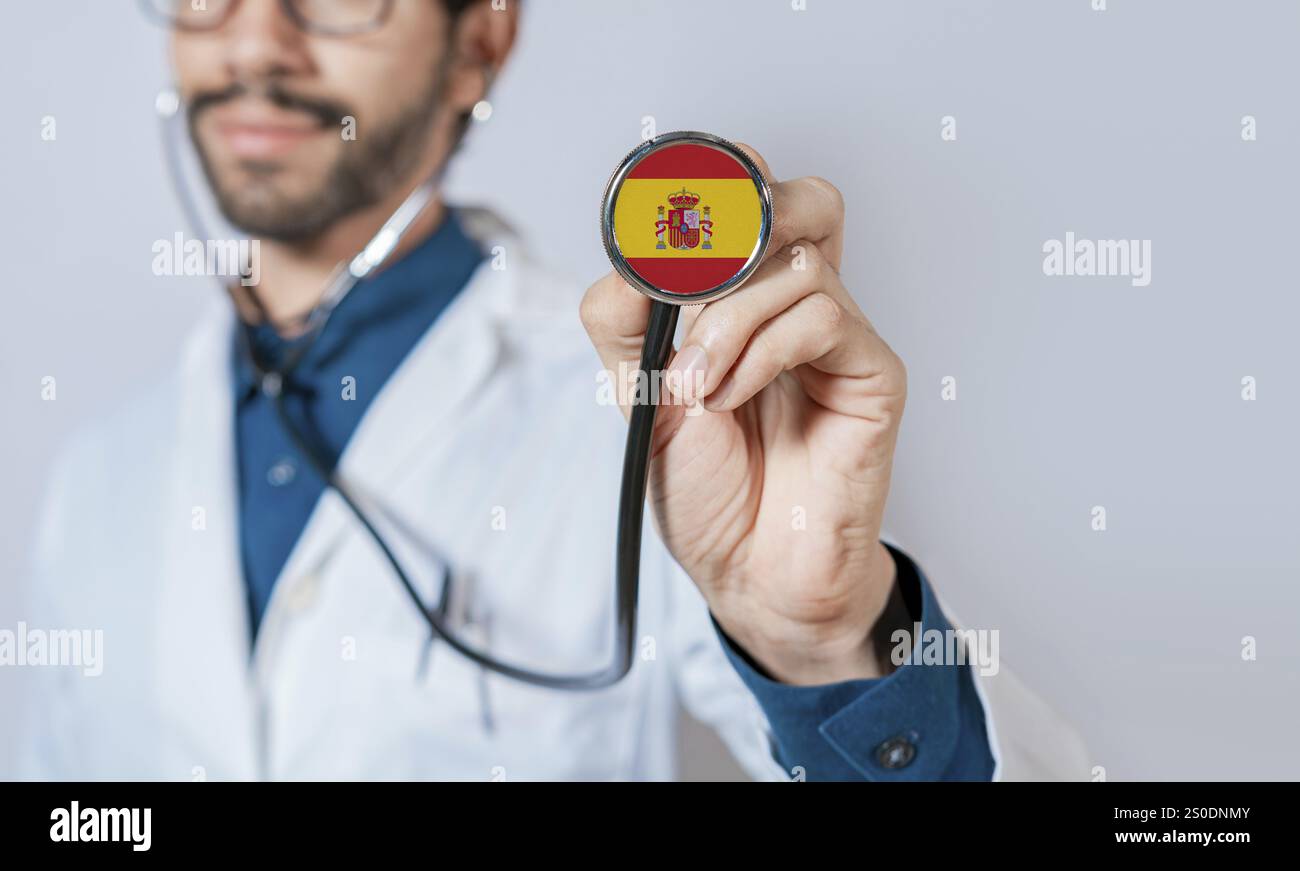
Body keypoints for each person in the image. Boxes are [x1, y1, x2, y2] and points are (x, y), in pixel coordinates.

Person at [17, 0, 1086, 780]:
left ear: (477, 42)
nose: (253, 41)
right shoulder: (95, 477)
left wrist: (822, 646)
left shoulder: (670, 418)